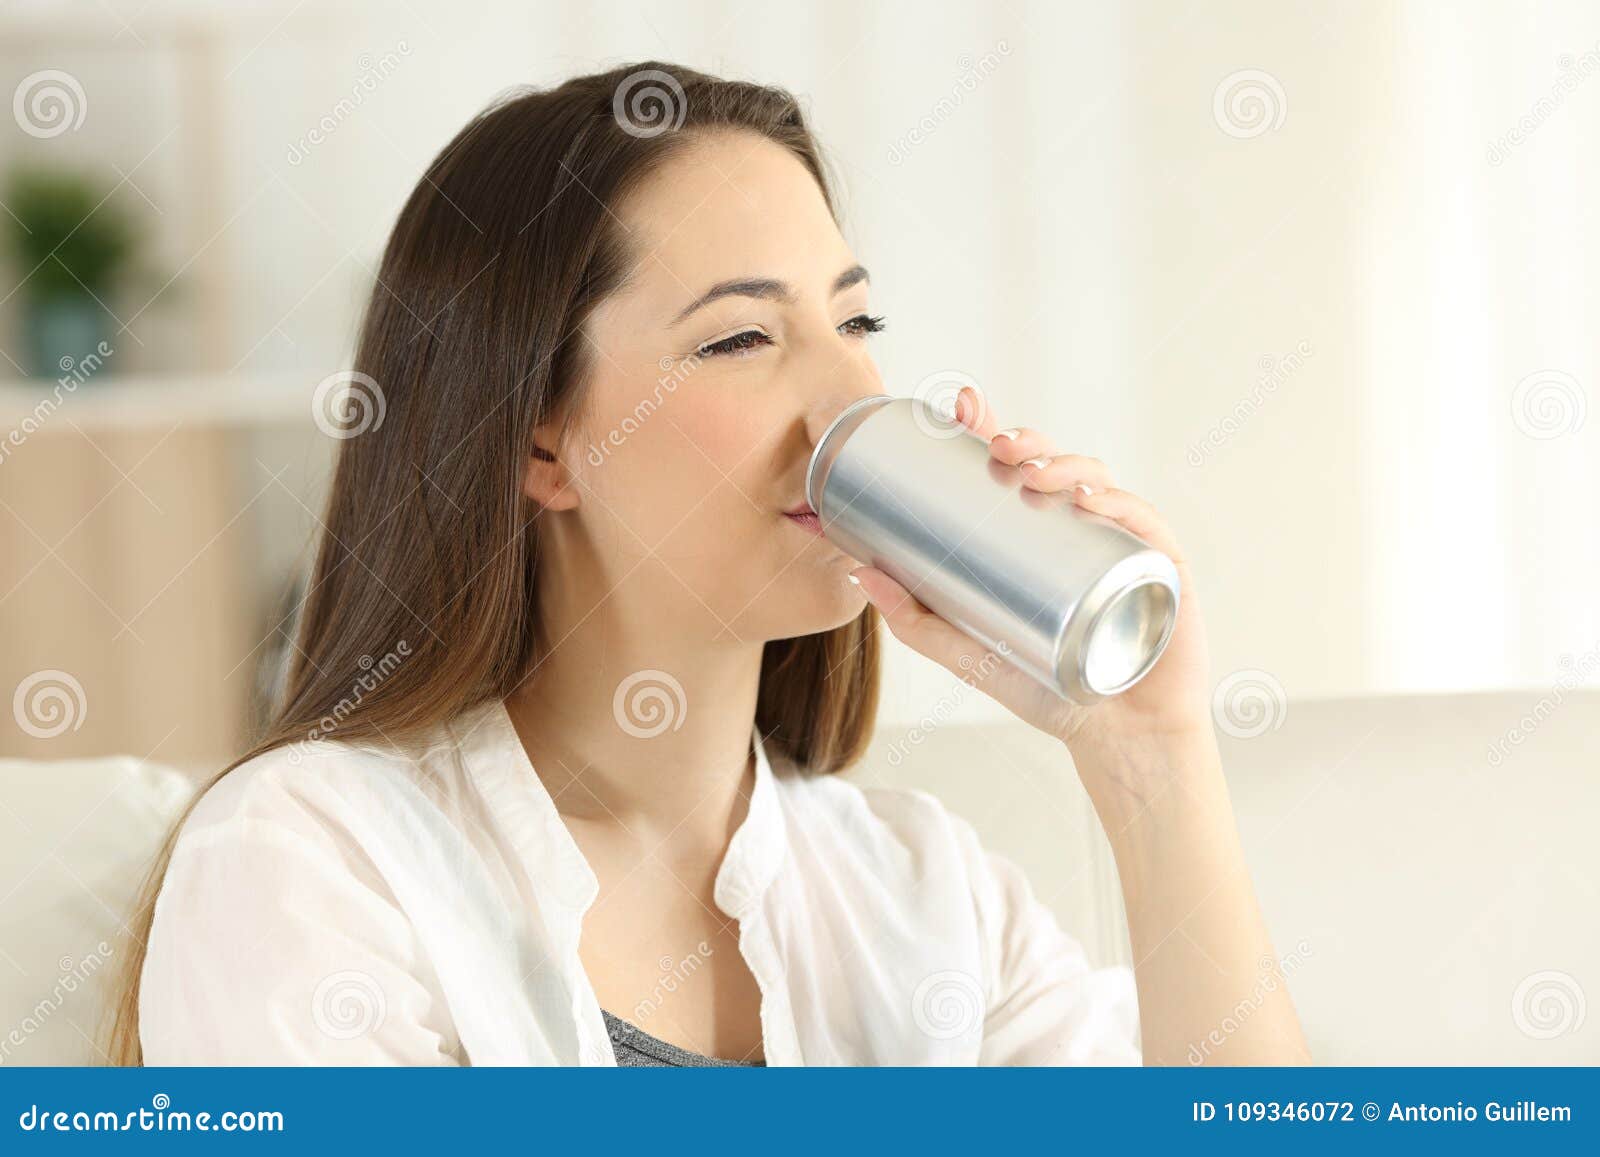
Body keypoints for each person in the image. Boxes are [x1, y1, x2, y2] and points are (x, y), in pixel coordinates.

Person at [107, 61, 1308, 1067]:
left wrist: (1152, 763)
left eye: (857, 326)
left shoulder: (929, 895)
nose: (852, 402)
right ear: (541, 438)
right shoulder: (312, 859)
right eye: (741, 338)